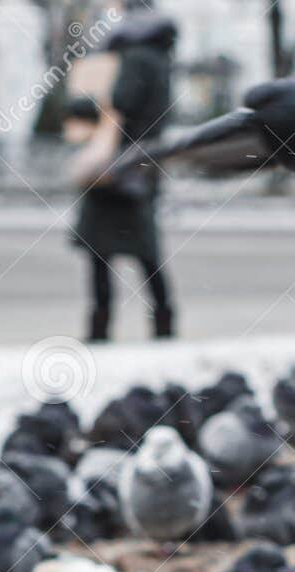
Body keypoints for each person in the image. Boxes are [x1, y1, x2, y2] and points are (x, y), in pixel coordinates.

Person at [67, 6, 178, 343]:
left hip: (116, 166)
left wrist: (82, 105)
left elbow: (120, 104)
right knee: (146, 253)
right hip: (143, 166)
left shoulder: (134, 58)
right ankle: (164, 324)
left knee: (101, 253)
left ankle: (100, 329)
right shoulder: (159, 58)